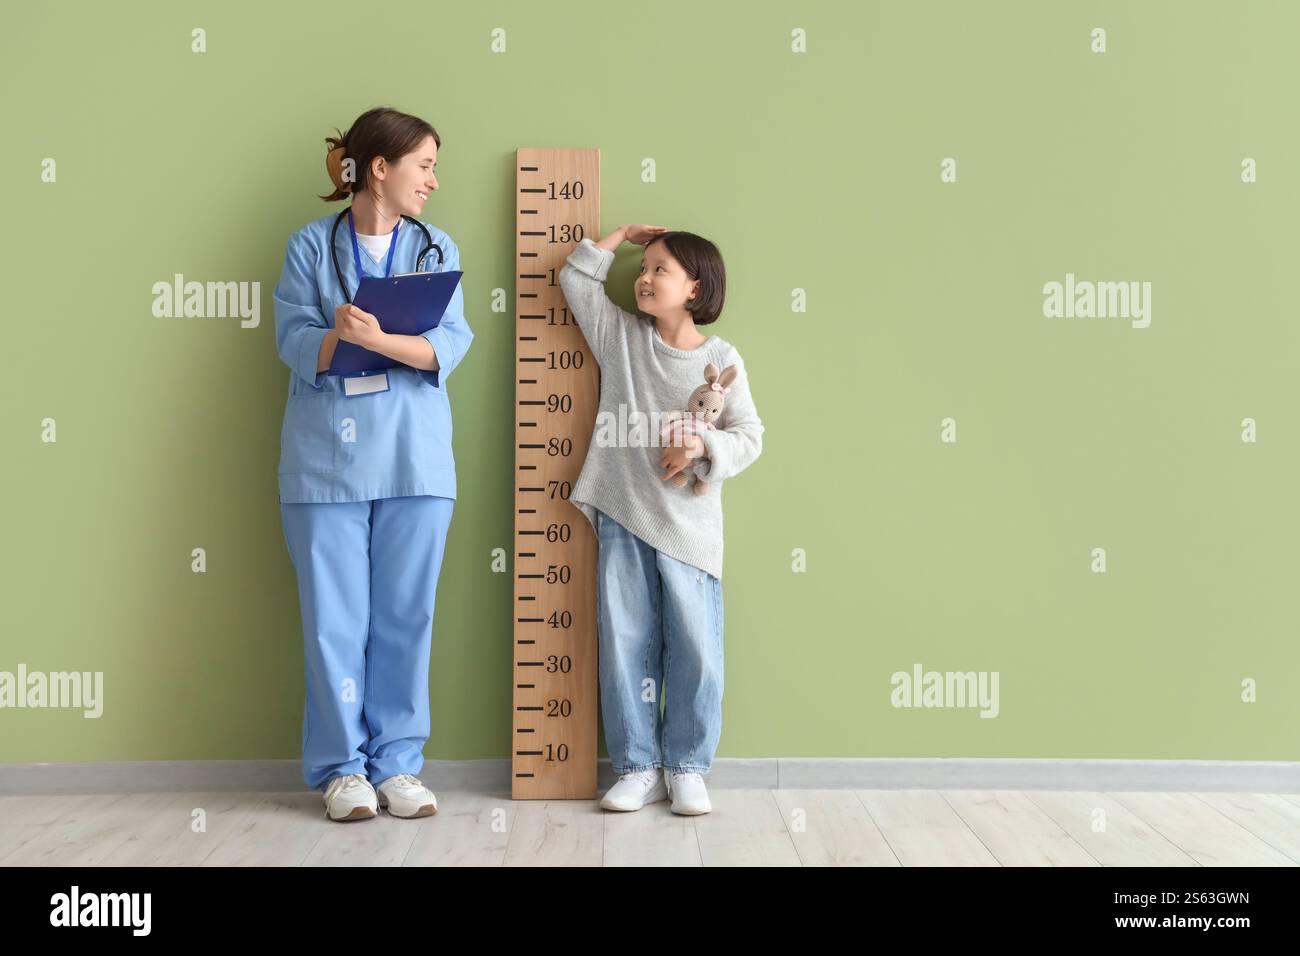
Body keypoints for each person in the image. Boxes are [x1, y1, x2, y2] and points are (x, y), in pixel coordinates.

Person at [273, 107, 474, 822]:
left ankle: (396, 765)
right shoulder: (308, 247)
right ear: (379, 169)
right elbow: (291, 339)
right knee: (334, 619)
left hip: (414, 460)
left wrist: (383, 339)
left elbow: (449, 346)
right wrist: (337, 337)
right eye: (424, 165)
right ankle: (341, 771)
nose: (434, 181)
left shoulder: (434, 246)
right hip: (325, 463)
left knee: (406, 616)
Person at [559, 225, 764, 815]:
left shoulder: (721, 359)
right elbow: (576, 279)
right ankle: (636, 765)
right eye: (642, 267)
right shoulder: (622, 337)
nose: (643, 278)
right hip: (625, 513)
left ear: (694, 287)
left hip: (690, 529)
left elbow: (749, 436)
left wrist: (703, 448)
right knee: (625, 642)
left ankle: (688, 766)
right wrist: (618, 236)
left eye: (659, 270)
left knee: (695, 647)